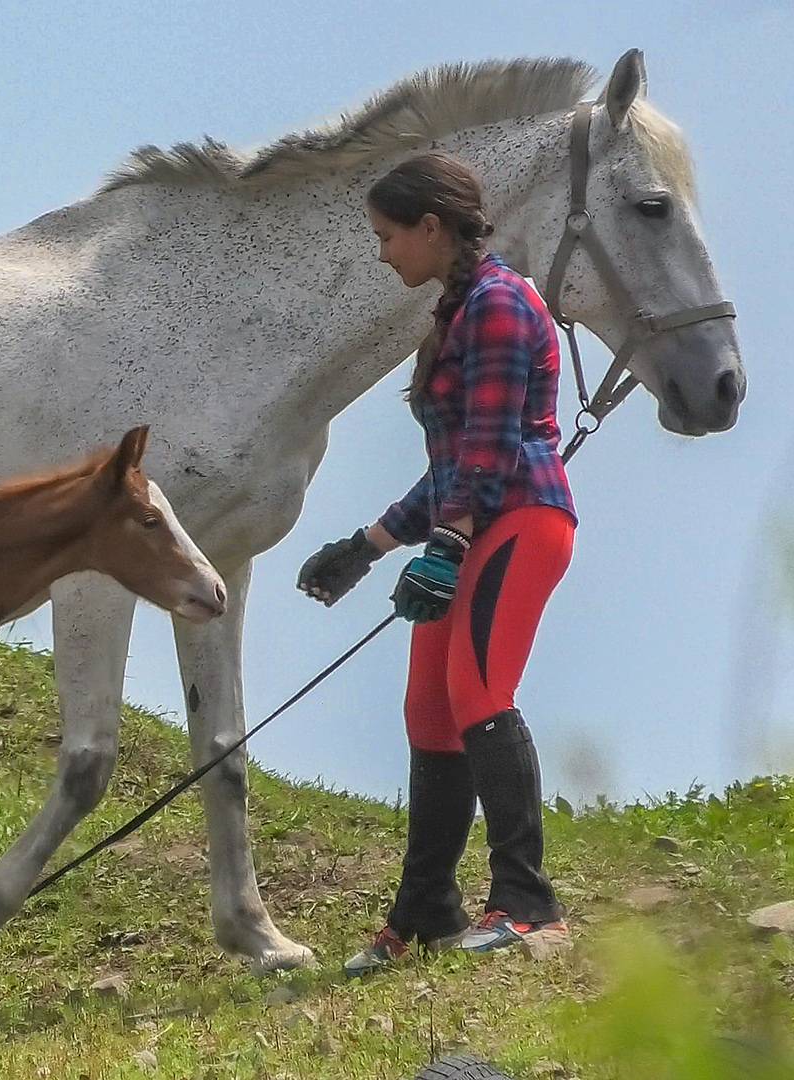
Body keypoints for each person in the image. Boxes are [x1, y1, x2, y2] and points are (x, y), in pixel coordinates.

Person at [298, 152, 576, 974]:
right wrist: (367, 547)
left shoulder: (496, 305)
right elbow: (451, 469)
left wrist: (447, 547)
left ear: (430, 227)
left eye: (387, 235)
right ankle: (427, 913)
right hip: (476, 519)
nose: (382, 252)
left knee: (480, 695)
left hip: (521, 520)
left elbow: (488, 453)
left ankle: (529, 907)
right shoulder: (459, 310)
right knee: (429, 709)